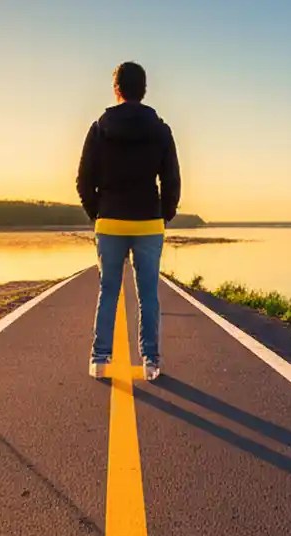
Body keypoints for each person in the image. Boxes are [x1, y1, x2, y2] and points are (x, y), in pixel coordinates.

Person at [77, 61, 180, 381]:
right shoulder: (161, 130)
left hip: (110, 223)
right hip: (148, 222)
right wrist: (164, 213)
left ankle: (100, 359)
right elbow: (172, 180)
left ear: (117, 89)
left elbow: (84, 179)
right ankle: (151, 361)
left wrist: (98, 212)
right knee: (148, 294)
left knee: (109, 291)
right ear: (144, 89)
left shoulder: (99, 128)